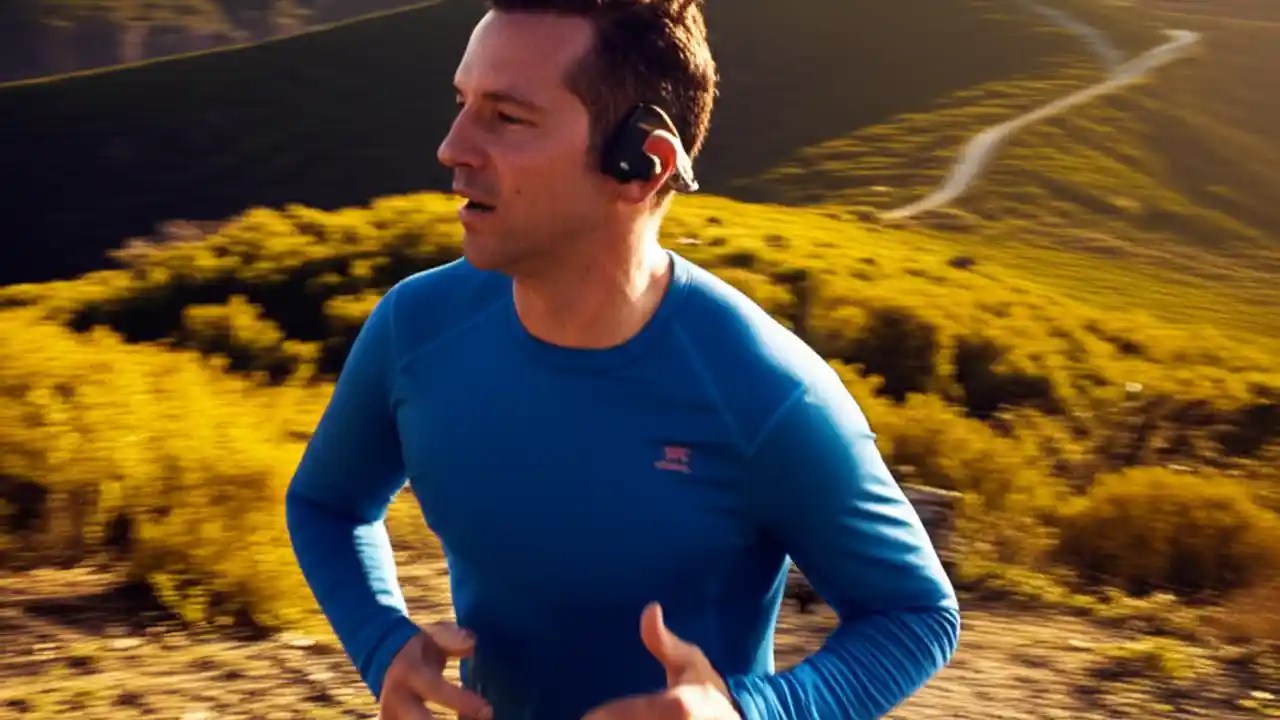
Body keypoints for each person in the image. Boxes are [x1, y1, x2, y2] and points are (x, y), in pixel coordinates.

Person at [284, 0, 960, 718]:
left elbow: (915, 614)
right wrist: (383, 646)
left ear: (642, 164)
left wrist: (753, 710)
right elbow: (327, 504)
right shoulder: (414, 328)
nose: (452, 148)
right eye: (462, 104)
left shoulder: (765, 392)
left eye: (506, 117)